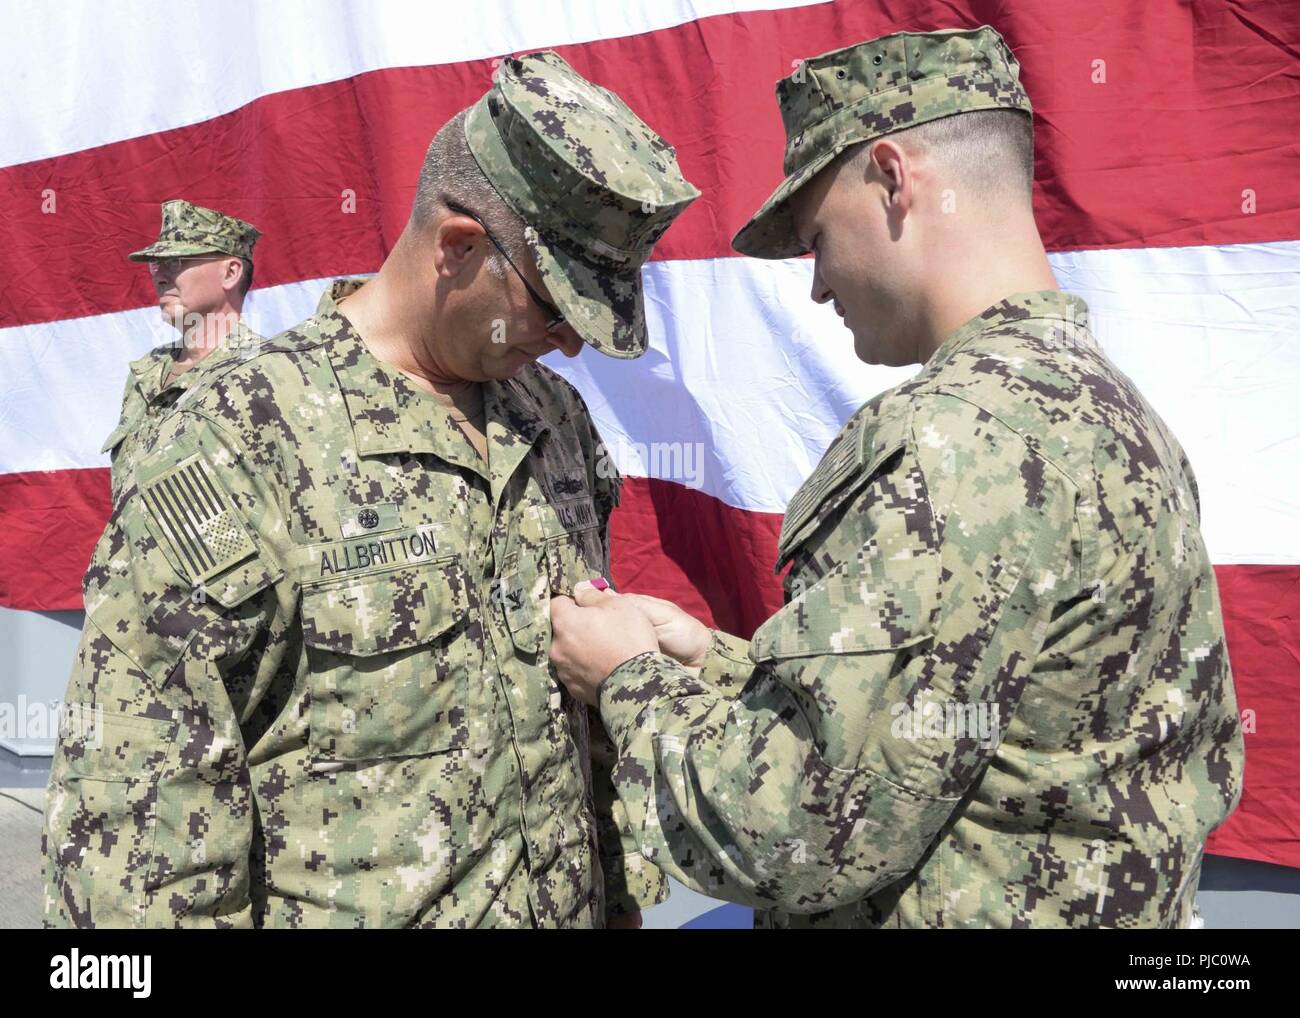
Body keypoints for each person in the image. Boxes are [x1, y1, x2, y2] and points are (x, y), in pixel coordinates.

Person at [549, 26, 1244, 928]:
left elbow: (791, 831)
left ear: (892, 176)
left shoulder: (949, 439)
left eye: (816, 239)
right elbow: (974, 714)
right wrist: (709, 660)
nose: (819, 288)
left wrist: (628, 679)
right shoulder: (1107, 405)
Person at [42, 51, 698, 928]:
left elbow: (582, 755)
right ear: (459, 247)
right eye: (555, 309)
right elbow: (134, 829)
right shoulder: (240, 434)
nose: (570, 345)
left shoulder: (551, 417)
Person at [104, 200, 262, 504]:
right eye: (156, 263)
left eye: (177, 262)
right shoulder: (148, 372)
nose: (160, 275)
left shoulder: (266, 372)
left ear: (230, 272)